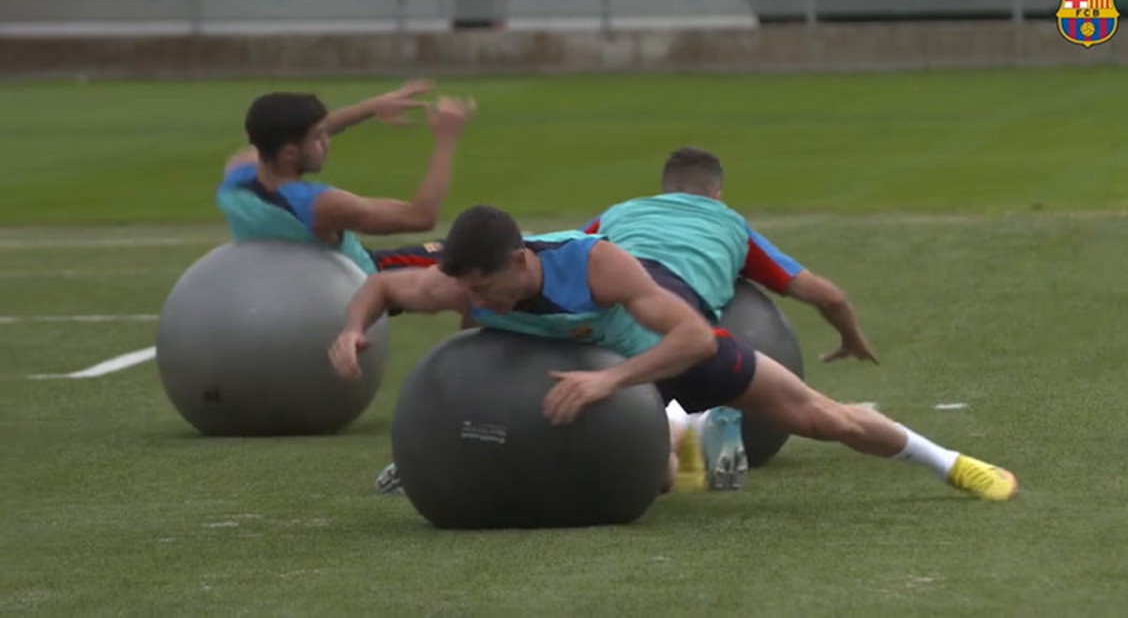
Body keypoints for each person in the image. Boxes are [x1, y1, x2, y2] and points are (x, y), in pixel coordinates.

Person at [329, 204, 1020, 503]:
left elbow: (690, 334)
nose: (479, 299)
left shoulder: (596, 264)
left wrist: (616, 383)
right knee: (656, 483)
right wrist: (351, 328)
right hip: (582, 363)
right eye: (464, 288)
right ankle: (679, 438)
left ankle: (952, 463)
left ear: (519, 259)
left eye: (487, 287)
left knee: (823, 418)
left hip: (655, 357)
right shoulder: (459, 282)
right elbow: (384, 283)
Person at [582, 146, 879, 489]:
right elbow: (829, 296)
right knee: (656, 475)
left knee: (655, 476)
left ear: (664, 188)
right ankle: (695, 422)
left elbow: (565, 257)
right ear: (717, 194)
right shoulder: (729, 226)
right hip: (686, 345)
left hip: (615, 339)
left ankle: (681, 428)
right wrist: (851, 338)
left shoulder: (618, 215)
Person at [218, 82, 475, 275]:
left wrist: (372, 108)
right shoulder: (321, 205)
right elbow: (420, 217)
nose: (326, 142)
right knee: (476, 259)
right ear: (289, 153)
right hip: (361, 281)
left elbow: (300, 134)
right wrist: (446, 138)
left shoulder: (238, 175)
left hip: (295, 280)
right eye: (318, 137)